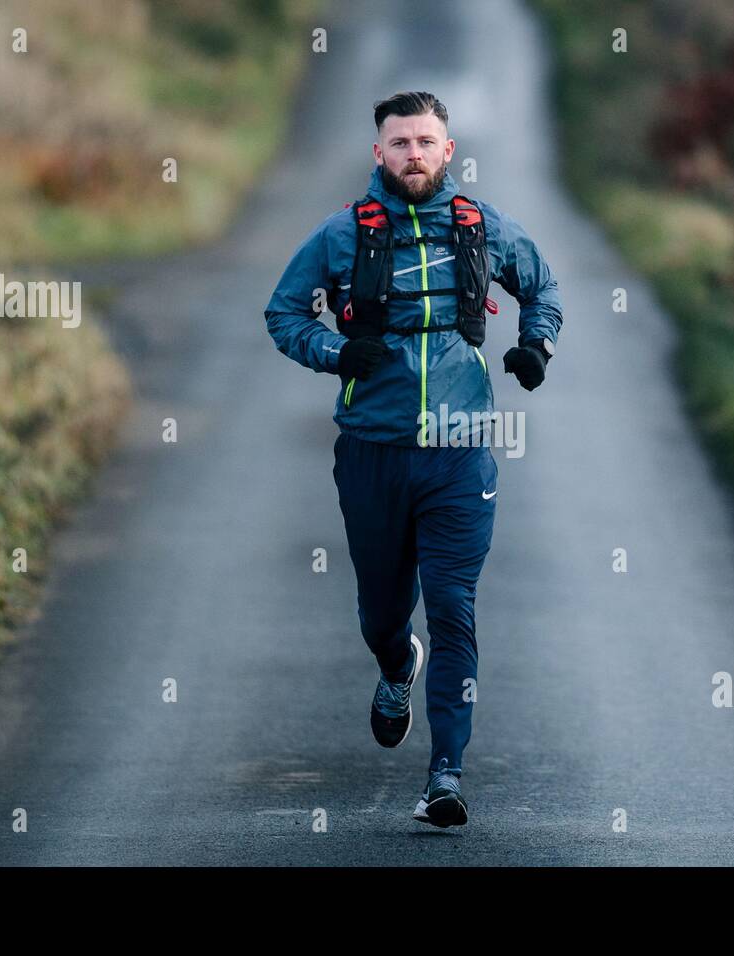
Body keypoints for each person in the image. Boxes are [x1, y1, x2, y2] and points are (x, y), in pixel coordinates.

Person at [263, 90, 562, 828]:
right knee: (382, 613)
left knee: (455, 610)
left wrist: (536, 345)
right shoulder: (342, 235)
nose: (415, 155)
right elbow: (283, 312)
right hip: (373, 451)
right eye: (400, 143)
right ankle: (397, 664)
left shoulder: (480, 227)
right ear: (379, 154)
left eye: (427, 142)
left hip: (460, 457)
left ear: (448, 150)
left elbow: (543, 287)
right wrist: (335, 352)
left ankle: (445, 776)